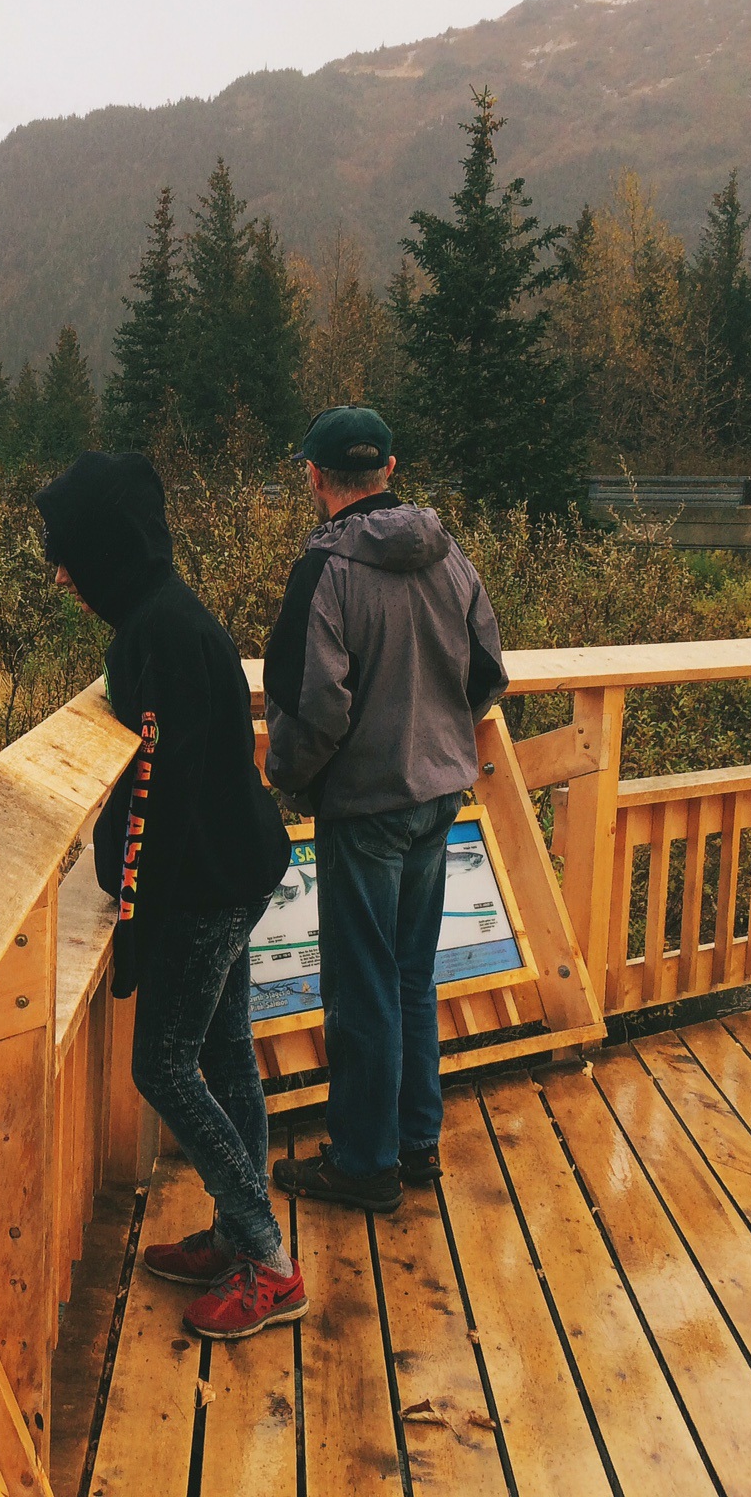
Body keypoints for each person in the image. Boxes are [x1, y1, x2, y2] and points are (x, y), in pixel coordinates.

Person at [35, 450, 302, 1341]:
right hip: (233, 867)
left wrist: (123, 889)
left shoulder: (160, 635)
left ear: (109, 549)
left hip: (208, 885)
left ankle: (266, 1260)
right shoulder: (162, 617)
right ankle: (237, 1232)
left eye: (68, 552)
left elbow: (155, 790)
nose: (60, 571)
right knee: (226, 1058)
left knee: (162, 1064)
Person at [263, 406, 506, 1213]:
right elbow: (486, 671)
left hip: (365, 807)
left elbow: (312, 704)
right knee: (410, 977)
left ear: (316, 476)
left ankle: (364, 1165)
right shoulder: (449, 556)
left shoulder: (325, 571)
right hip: (439, 795)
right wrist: (441, 740)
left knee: (361, 987)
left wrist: (290, 780)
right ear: (391, 471)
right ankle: (414, 1144)